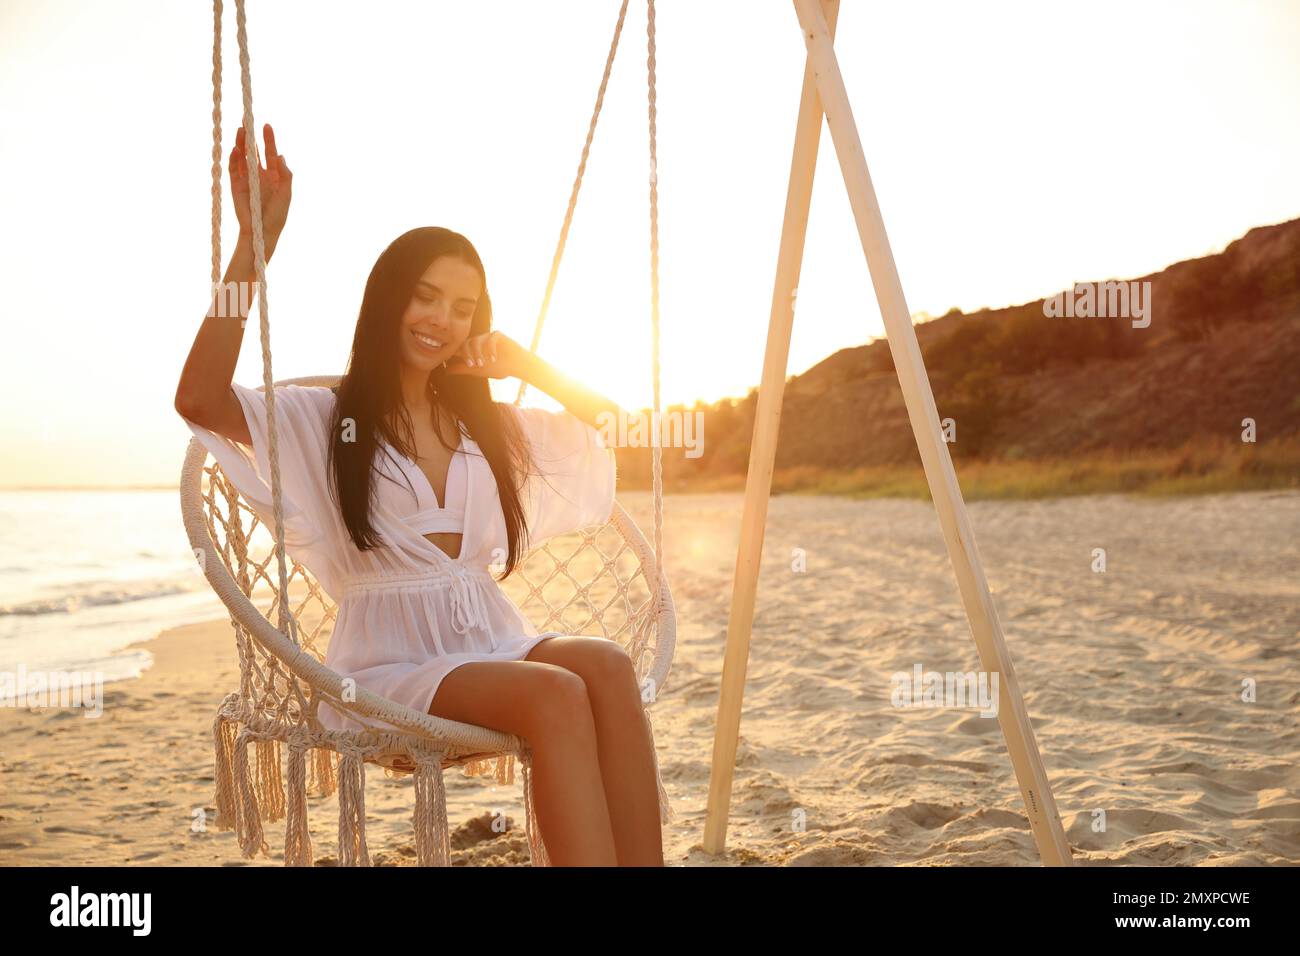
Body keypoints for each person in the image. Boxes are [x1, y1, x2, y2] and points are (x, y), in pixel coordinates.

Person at [174, 123, 664, 867]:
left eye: (463, 308)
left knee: (606, 666)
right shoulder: (324, 419)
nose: (442, 320)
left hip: (489, 637)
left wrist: (523, 361)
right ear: (388, 300)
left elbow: (629, 432)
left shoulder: (485, 424)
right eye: (426, 297)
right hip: (387, 662)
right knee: (557, 696)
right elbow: (200, 398)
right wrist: (254, 249)